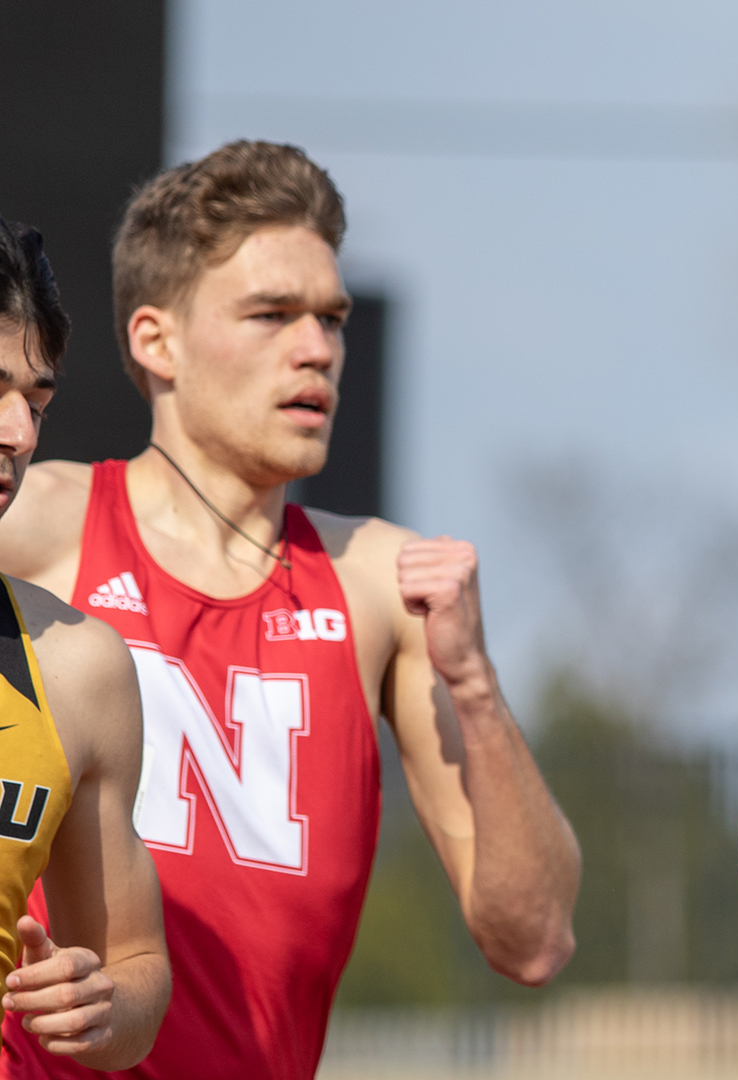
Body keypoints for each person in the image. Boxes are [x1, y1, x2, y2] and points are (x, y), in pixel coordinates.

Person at [0, 143, 581, 1080]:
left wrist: (472, 685)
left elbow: (536, 939)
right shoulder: (38, 524)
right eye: (272, 314)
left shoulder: (380, 582)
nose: (316, 348)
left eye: (332, 318)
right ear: (157, 341)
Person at [0, 217, 170, 1074]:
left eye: (34, 401)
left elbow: (138, 967)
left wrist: (103, 1004)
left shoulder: (78, 665)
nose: (20, 436)